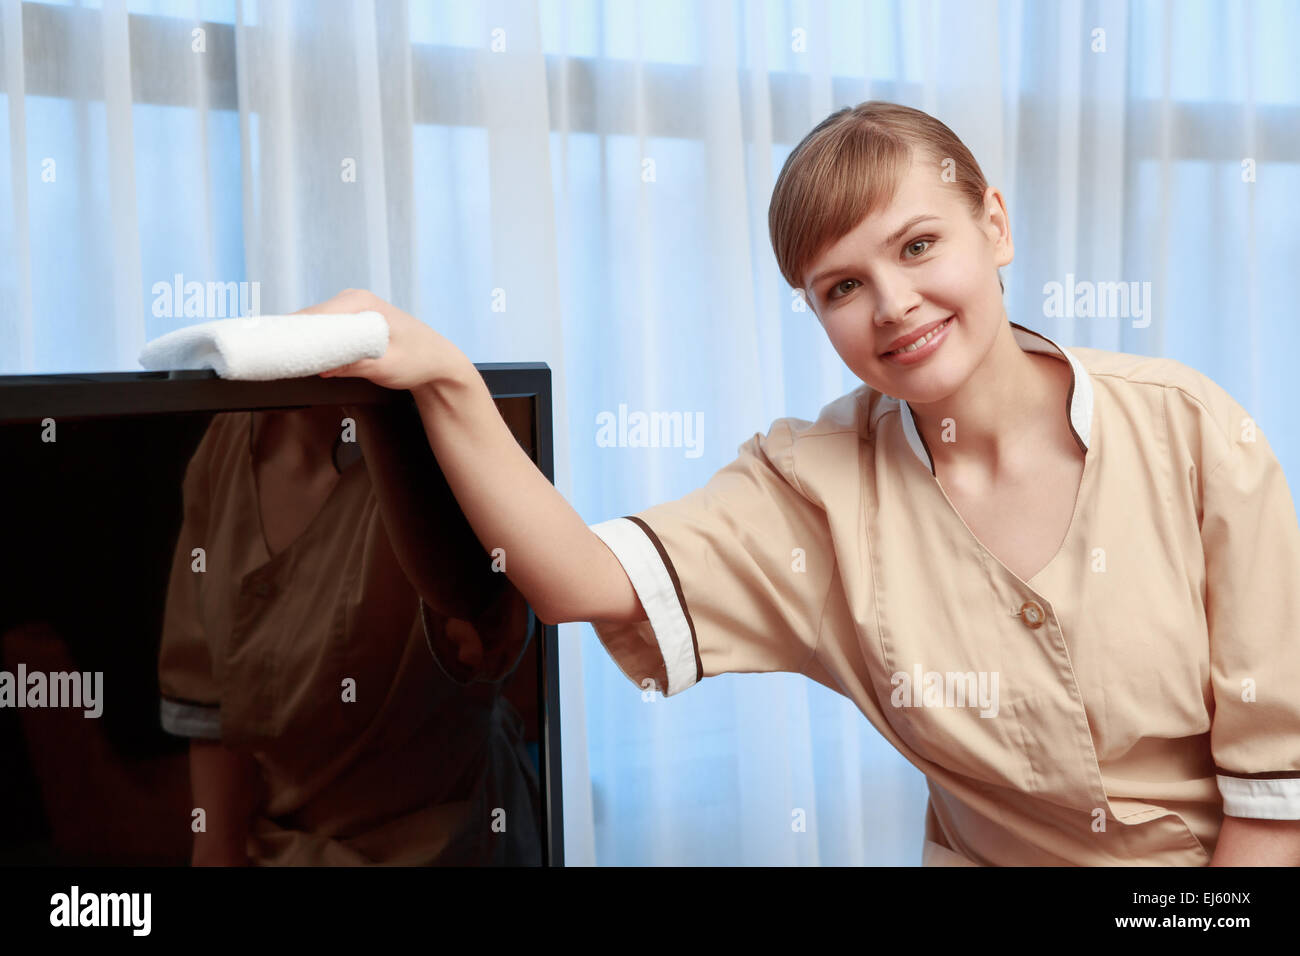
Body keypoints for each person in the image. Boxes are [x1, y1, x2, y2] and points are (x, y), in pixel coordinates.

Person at [313, 101, 1300, 866]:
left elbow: (1274, 799)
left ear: (993, 224)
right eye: (841, 285)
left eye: (918, 245)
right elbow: (577, 580)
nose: (894, 302)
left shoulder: (1191, 431)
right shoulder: (810, 488)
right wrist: (441, 375)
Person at [158, 395, 541, 866]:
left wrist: (374, 407)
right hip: (280, 850)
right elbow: (207, 700)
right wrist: (217, 848)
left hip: (441, 846)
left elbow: (480, 638)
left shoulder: (452, 437)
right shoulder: (229, 439)